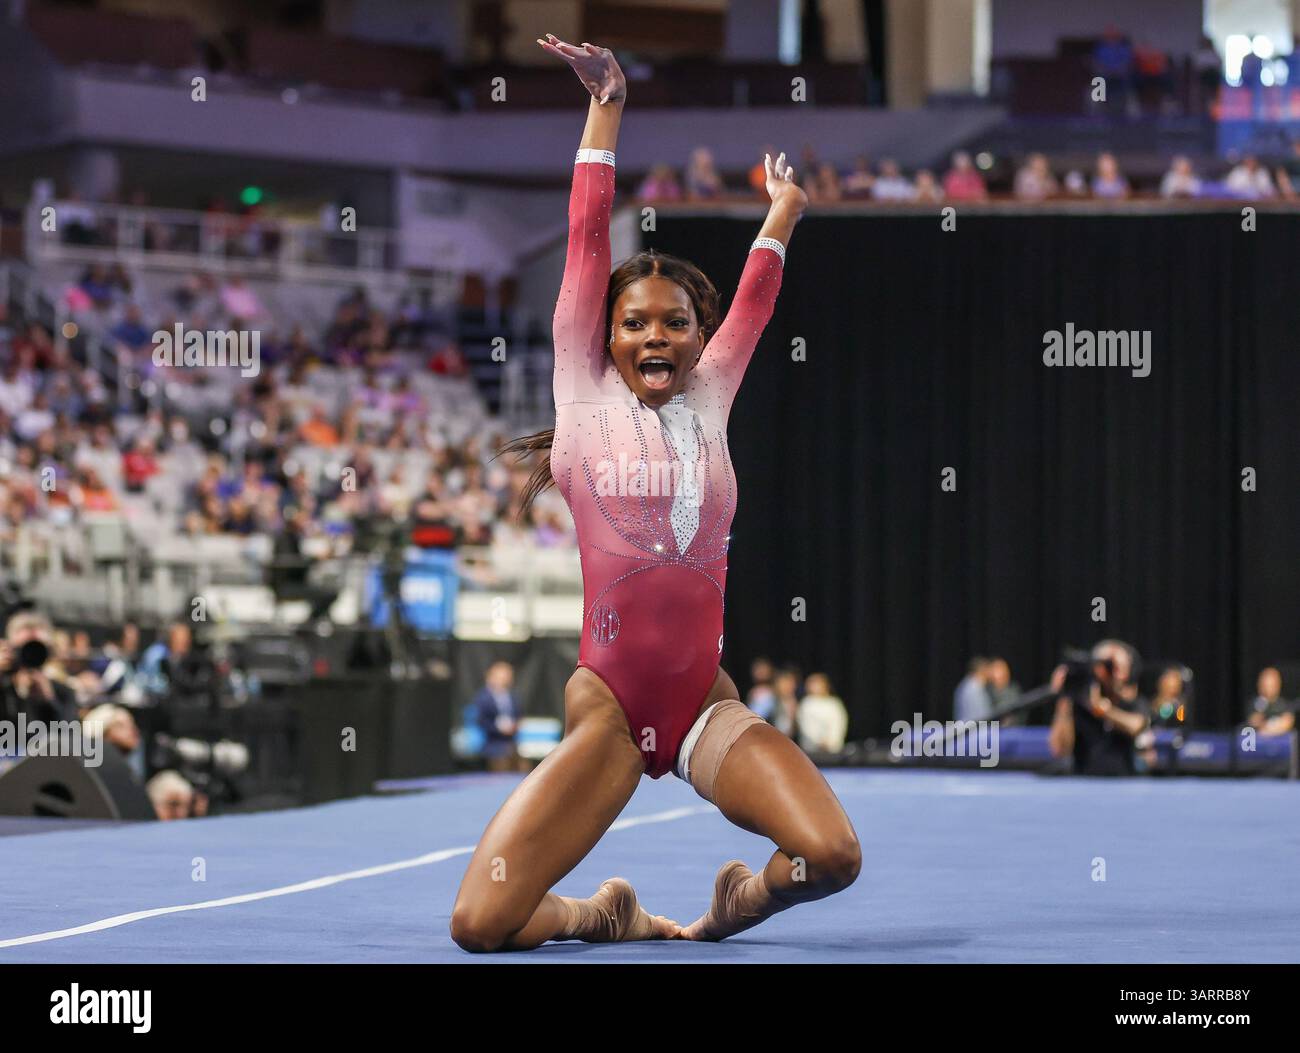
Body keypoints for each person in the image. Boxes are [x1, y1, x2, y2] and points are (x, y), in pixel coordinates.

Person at [452, 35, 859, 953]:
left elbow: (754, 297)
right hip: (609, 709)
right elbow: (588, 243)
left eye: (676, 323)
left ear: (697, 332)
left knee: (832, 856)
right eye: (635, 323)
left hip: (700, 707)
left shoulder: (712, 396)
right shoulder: (581, 392)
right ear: (606, 331)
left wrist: (786, 208)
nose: (656, 337)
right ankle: (603, 913)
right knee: (483, 922)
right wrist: (608, 108)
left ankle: (736, 903)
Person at [1047, 639, 1149, 775]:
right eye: (1112, 667)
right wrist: (1064, 699)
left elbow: (1136, 726)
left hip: (1124, 785)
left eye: (1122, 667)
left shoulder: (1132, 702)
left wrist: (1102, 709)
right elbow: (1059, 750)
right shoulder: (1077, 704)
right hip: (1083, 786)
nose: (1119, 674)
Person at [471, 661, 526, 772]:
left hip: (511, 742)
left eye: (508, 676)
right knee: (502, 763)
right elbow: (481, 721)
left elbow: (519, 716)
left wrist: (515, 726)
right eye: (502, 676)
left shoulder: (513, 697)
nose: (505, 679)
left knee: (523, 767)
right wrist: (499, 729)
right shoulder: (483, 698)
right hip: (493, 742)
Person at [797, 673, 848, 753]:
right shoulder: (806, 703)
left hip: (833, 751)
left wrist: (831, 742)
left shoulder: (834, 703)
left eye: (816, 684)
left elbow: (838, 724)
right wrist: (818, 742)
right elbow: (805, 726)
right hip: (810, 751)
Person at [1245, 667, 1293, 737]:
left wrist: (1269, 728)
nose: (1268, 687)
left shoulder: (1285, 705)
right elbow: (1253, 721)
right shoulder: (1254, 704)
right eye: (1265, 683)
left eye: (1271, 683)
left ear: (1278, 684)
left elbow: (1287, 722)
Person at [953, 657, 992, 721]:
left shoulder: (968, 685)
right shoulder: (973, 688)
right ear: (983, 670)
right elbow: (980, 715)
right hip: (973, 729)